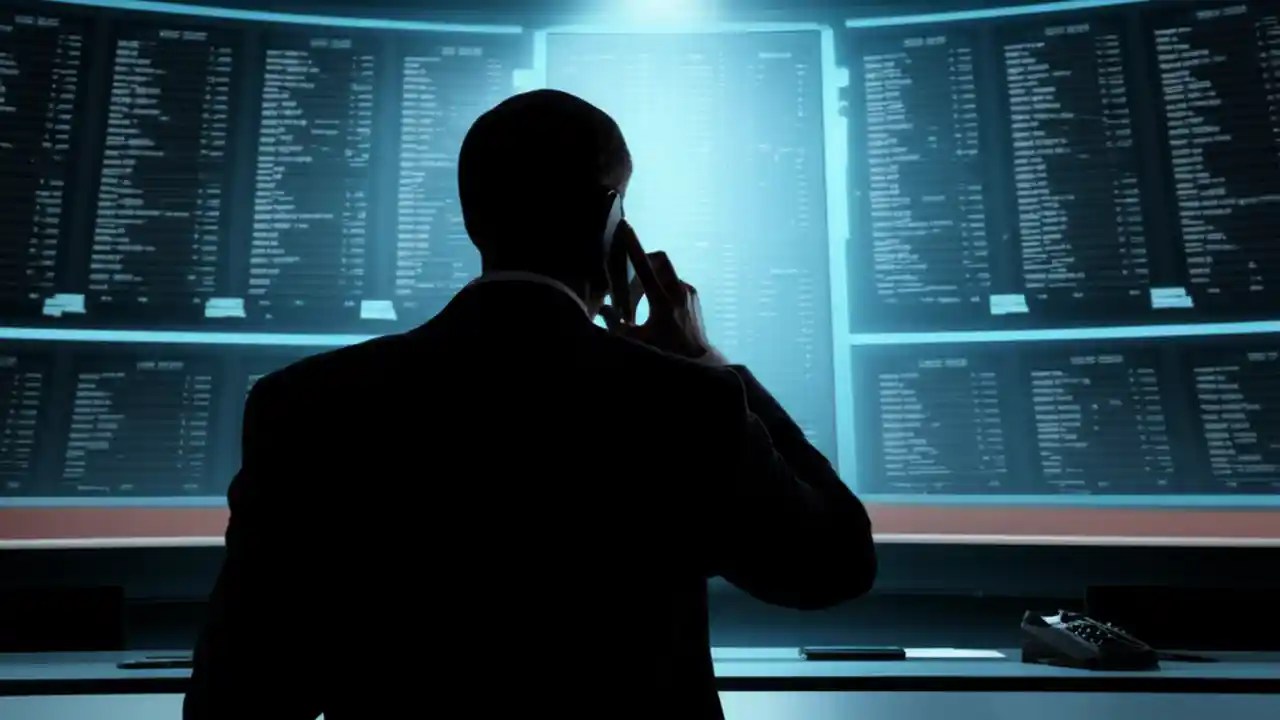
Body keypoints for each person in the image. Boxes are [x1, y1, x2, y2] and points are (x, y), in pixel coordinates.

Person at [184, 89, 876, 720]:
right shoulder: (683, 405)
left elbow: (235, 700)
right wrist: (705, 360)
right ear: (611, 226)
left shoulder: (305, 405)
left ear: (473, 218)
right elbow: (836, 561)